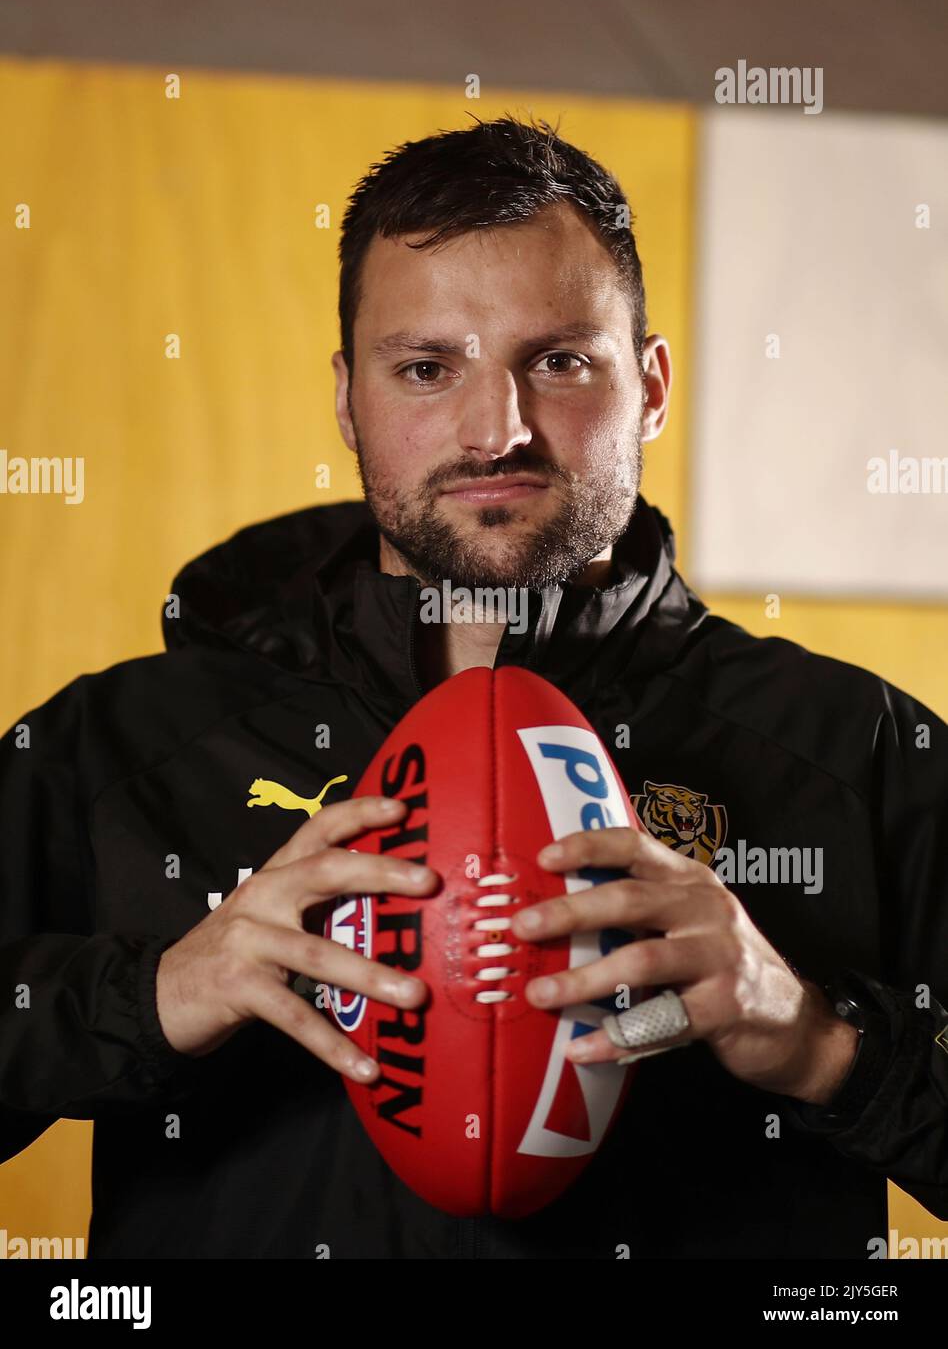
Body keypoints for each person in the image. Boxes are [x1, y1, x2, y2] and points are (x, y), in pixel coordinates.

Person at [1, 115, 946, 1260]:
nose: (496, 429)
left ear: (648, 386)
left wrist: (819, 1042)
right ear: (349, 399)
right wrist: (149, 995)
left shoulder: (861, 750)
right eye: (426, 367)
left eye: (558, 360)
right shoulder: (124, 742)